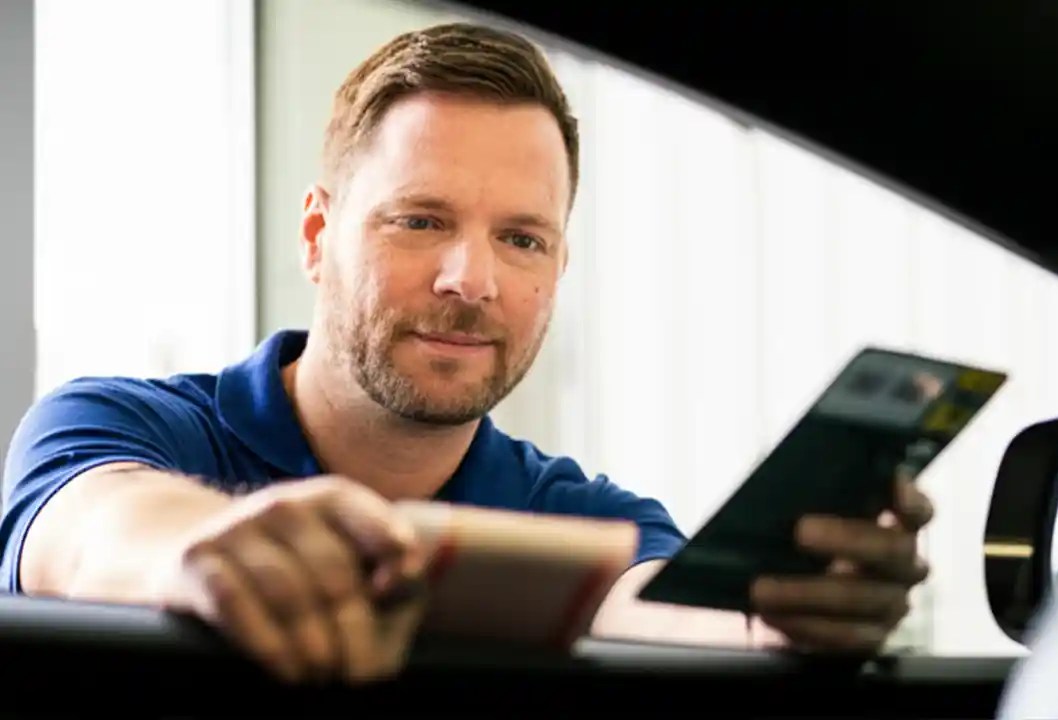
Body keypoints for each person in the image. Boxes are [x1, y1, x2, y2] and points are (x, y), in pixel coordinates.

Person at [0, 22, 933, 684]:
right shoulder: (120, 426)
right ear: (319, 236)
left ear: (559, 267)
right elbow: (91, 532)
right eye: (421, 219)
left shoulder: (583, 521)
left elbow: (657, 607)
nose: (471, 279)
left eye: (522, 239)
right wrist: (211, 551)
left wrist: (780, 616)